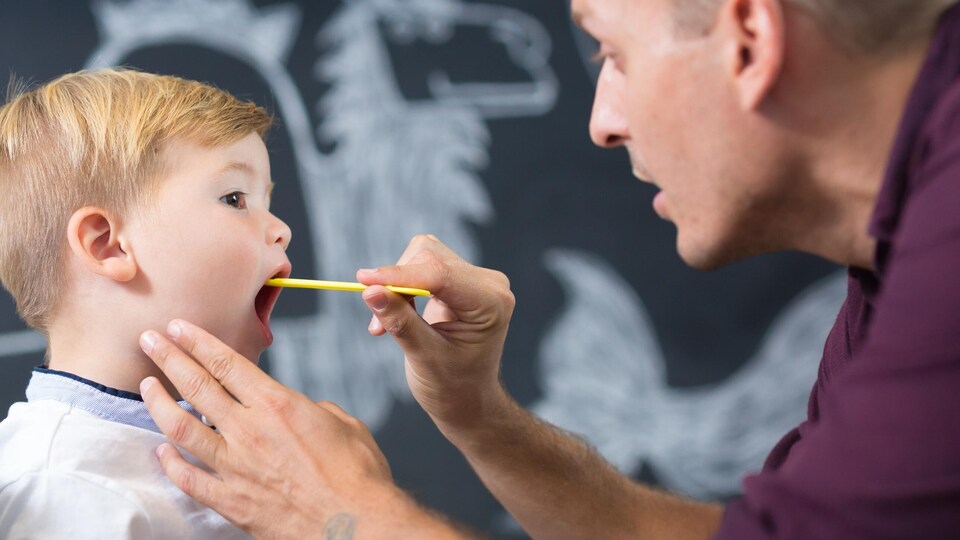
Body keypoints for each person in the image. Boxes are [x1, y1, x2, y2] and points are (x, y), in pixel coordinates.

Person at [136, 0, 960, 538]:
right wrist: (480, 414)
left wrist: (341, 516)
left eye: (613, 54)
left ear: (750, 39)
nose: (601, 121)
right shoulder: (895, 260)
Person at [0, 69, 294, 538]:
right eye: (235, 198)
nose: (282, 229)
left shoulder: (252, 452)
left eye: (266, 200)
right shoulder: (58, 490)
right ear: (108, 246)